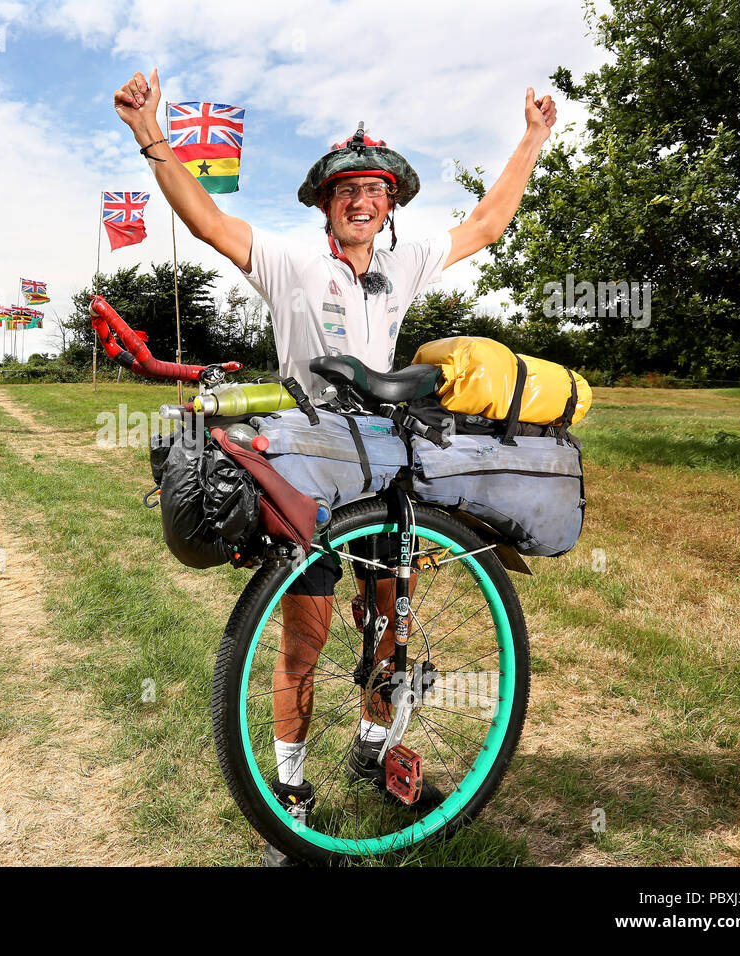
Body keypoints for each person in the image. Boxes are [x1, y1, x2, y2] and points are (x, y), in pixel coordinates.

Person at [113, 68, 556, 863]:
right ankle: (288, 791)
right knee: (304, 640)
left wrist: (532, 138)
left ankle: (372, 750)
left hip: (385, 462)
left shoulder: (404, 262)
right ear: (324, 204)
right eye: (347, 190)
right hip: (312, 467)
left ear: (390, 204)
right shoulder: (290, 263)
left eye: (375, 190)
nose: (362, 201)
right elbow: (209, 222)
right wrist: (151, 134)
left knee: (388, 627)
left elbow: (487, 225)